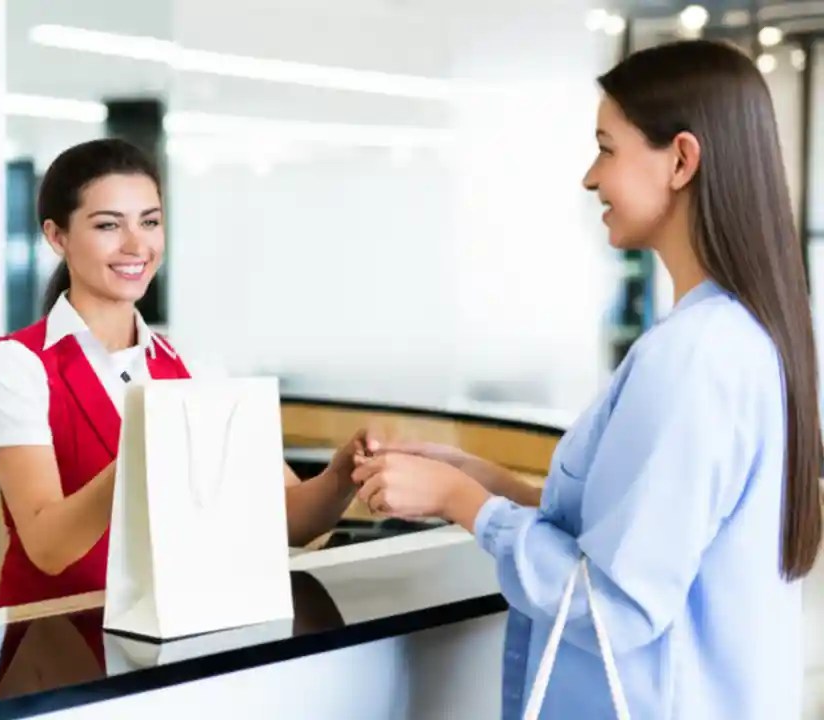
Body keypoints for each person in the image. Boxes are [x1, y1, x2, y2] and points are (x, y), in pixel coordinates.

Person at [351, 40, 822, 719]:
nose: (590, 177)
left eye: (607, 147)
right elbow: (626, 528)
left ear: (682, 160)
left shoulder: (693, 356)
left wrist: (463, 502)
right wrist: (473, 475)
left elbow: (616, 604)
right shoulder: (736, 336)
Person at [0, 138, 363, 608]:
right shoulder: (18, 365)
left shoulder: (196, 373)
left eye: (151, 222)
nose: (137, 245)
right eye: (107, 225)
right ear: (57, 237)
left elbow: (287, 520)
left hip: (176, 639)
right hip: (55, 646)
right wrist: (145, 451)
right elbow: (47, 547)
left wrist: (341, 477)